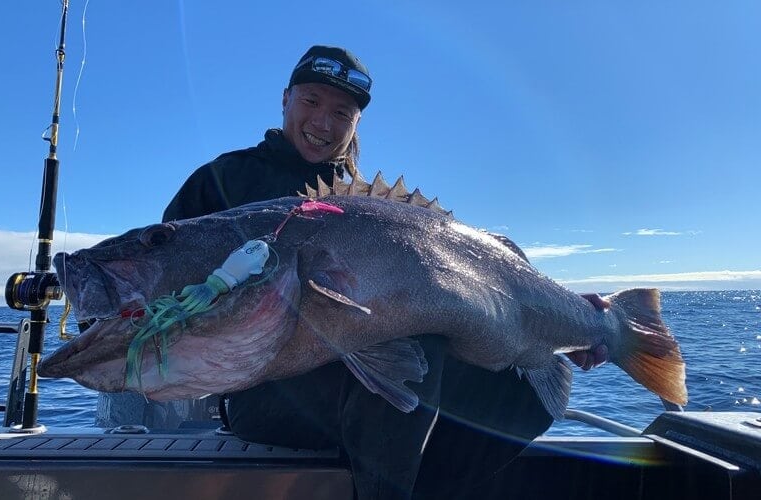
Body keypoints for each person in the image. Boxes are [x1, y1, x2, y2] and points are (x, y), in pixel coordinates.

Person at [98, 45, 604, 499]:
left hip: (377, 383)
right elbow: (160, 273)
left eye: (342, 112)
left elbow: (470, 286)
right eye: (311, 100)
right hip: (265, 394)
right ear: (285, 99)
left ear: (356, 123)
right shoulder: (222, 180)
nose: (324, 121)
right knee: (416, 360)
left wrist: (560, 317)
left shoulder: (376, 211)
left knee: (519, 393)